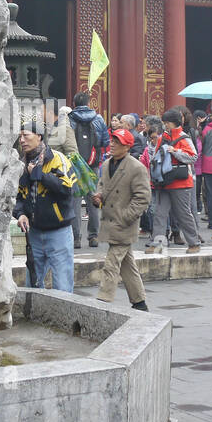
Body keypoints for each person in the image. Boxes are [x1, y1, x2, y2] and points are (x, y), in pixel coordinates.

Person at [14, 118, 78, 292]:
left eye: (26, 136)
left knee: (63, 286)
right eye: (20, 137)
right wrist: (20, 214)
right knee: (33, 285)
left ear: (39, 137)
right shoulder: (19, 164)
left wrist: (39, 173)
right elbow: (16, 197)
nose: (22, 140)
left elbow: (68, 189)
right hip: (33, 232)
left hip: (59, 232)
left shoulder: (58, 159)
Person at [92, 127, 150, 310]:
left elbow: (143, 198)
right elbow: (102, 185)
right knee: (127, 264)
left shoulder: (136, 168)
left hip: (124, 224)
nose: (113, 144)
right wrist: (99, 195)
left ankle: (103, 301)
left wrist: (126, 217)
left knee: (112, 263)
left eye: (117, 142)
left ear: (127, 146)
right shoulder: (107, 164)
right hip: (110, 221)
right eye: (112, 140)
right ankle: (139, 302)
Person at [146, 108, 202, 254]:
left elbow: (193, 157)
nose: (165, 125)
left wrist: (175, 151)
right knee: (159, 213)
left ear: (173, 123)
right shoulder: (162, 137)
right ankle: (156, 243)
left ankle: (194, 243)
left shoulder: (184, 137)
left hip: (181, 182)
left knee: (183, 213)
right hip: (164, 181)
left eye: (167, 122)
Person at [68, 92, 109, 249]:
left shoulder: (69, 119)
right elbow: (105, 141)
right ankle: (93, 236)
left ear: (74, 103)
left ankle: (76, 238)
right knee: (93, 200)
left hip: (75, 166)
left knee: (75, 202)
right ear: (88, 102)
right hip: (93, 164)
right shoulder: (98, 119)